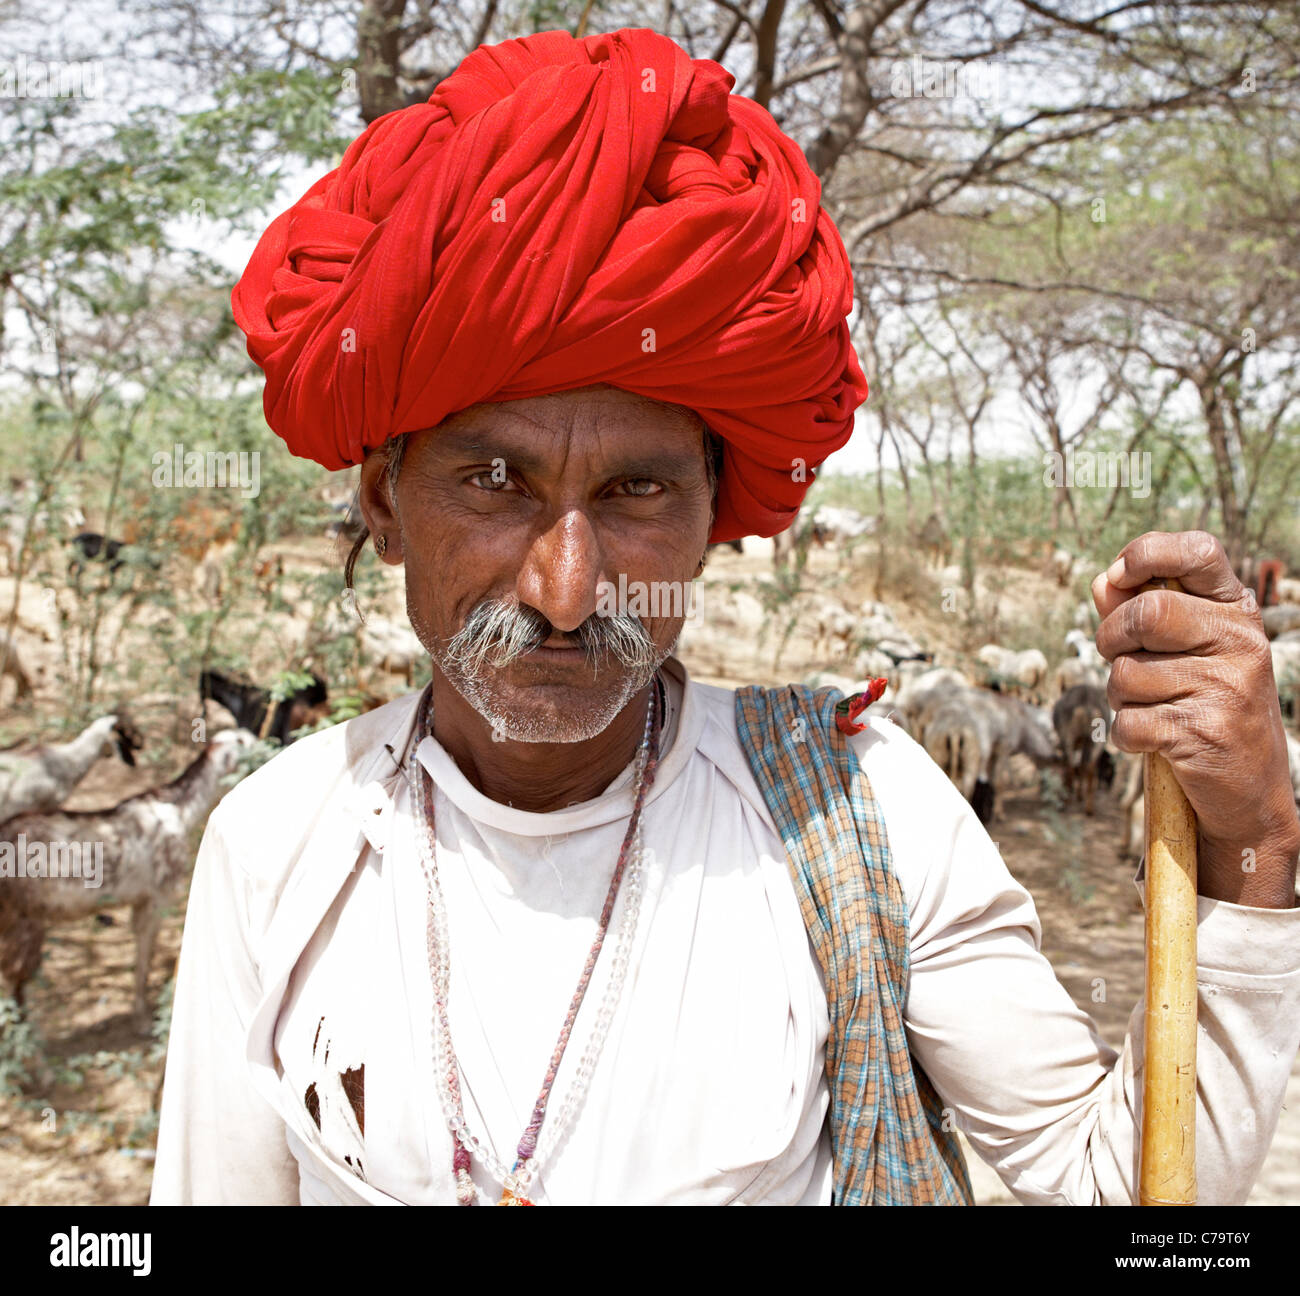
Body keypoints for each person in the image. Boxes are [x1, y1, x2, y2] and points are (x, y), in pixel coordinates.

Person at [150, 28, 1300, 1206]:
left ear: (714, 513)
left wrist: (1252, 836)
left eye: (635, 492)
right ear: (385, 505)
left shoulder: (857, 810)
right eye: (495, 484)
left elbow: (1127, 1198)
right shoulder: (278, 844)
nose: (565, 591)